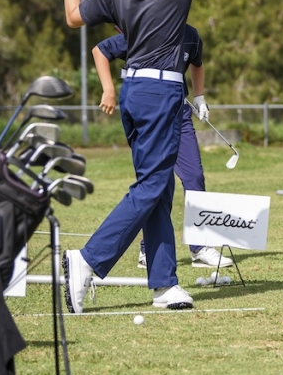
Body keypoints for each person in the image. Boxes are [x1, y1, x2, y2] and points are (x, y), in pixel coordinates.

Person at [60, 0, 199, 313]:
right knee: (153, 184)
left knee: (158, 185)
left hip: (133, 91)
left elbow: (73, 17)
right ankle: (88, 259)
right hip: (161, 93)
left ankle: (164, 284)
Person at [92, 25, 234, 269]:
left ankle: (200, 247)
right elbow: (100, 50)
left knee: (194, 176)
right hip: (150, 114)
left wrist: (199, 96)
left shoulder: (191, 35)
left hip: (180, 114)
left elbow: (197, 63)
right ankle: (148, 250)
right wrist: (108, 89)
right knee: (158, 182)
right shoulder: (147, 29)